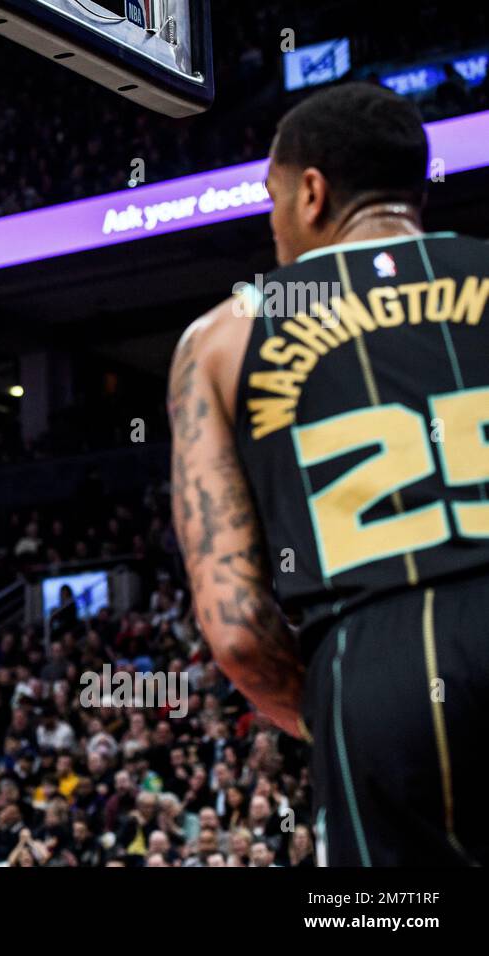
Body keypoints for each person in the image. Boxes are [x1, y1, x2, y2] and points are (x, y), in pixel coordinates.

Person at [169, 81, 489, 865]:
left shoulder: (224, 336)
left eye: (271, 199)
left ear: (310, 193)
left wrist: (337, 708)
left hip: (385, 663)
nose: (272, 226)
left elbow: (239, 630)